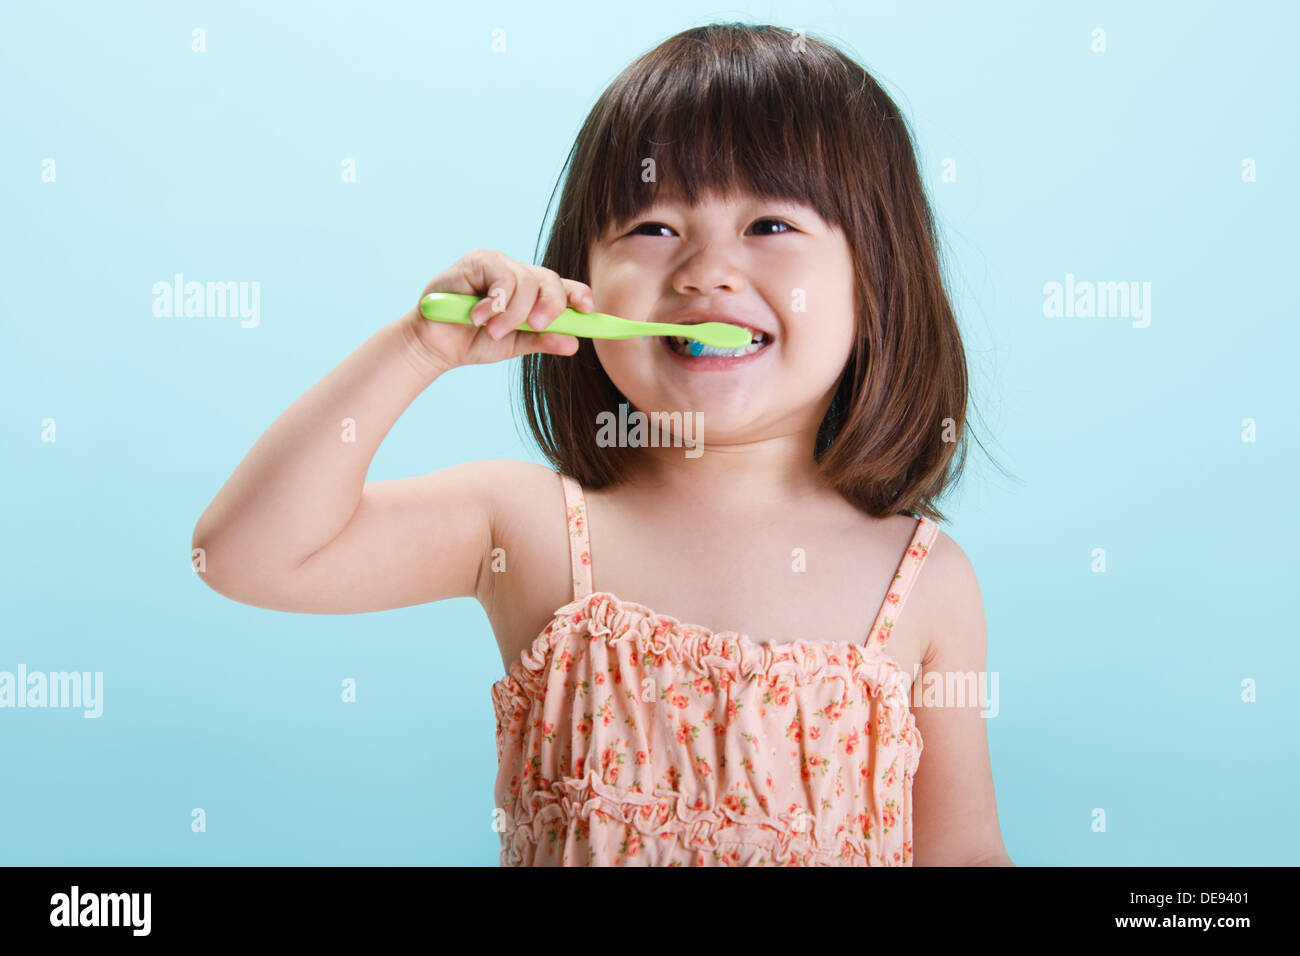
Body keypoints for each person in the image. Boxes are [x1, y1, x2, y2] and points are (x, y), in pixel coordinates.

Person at [193, 22, 1013, 867]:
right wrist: (418, 347)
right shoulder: (525, 529)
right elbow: (242, 555)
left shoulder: (923, 583)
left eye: (769, 223)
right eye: (654, 227)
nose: (706, 272)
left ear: (875, 279)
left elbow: (967, 855)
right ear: (579, 276)